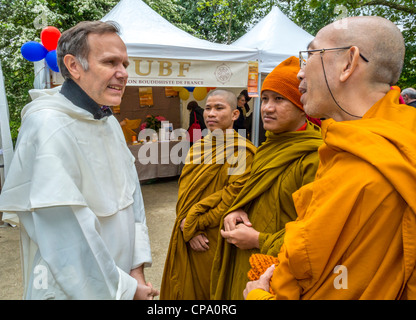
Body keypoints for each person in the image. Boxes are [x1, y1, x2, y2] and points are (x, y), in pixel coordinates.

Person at [244, 16, 416, 300]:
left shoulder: (366, 172)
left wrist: (258, 296)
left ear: (348, 63)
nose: (299, 74)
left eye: (310, 55)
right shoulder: (377, 140)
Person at [0, 21, 158, 300]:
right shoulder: (47, 126)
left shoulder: (109, 122)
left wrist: (136, 268)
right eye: (110, 62)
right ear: (73, 66)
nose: (123, 74)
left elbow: (133, 198)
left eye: (125, 64)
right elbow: (67, 235)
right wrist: (126, 290)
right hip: (73, 288)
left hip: (121, 279)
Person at [210, 56, 323, 300]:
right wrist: (235, 210)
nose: (267, 108)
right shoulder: (267, 148)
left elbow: (316, 233)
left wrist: (259, 240)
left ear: (302, 104)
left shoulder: (316, 156)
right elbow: (253, 194)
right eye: (264, 99)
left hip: (279, 271)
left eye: (279, 99)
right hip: (246, 261)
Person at [160, 89, 257, 300]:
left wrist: (195, 225)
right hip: (189, 230)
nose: (210, 113)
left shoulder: (241, 151)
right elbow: (185, 192)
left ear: (235, 115)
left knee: (209, 291)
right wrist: (190, 231)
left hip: (214, 236)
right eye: (208, 108)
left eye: (219, 108)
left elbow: (230, 200)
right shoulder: (200, 146)